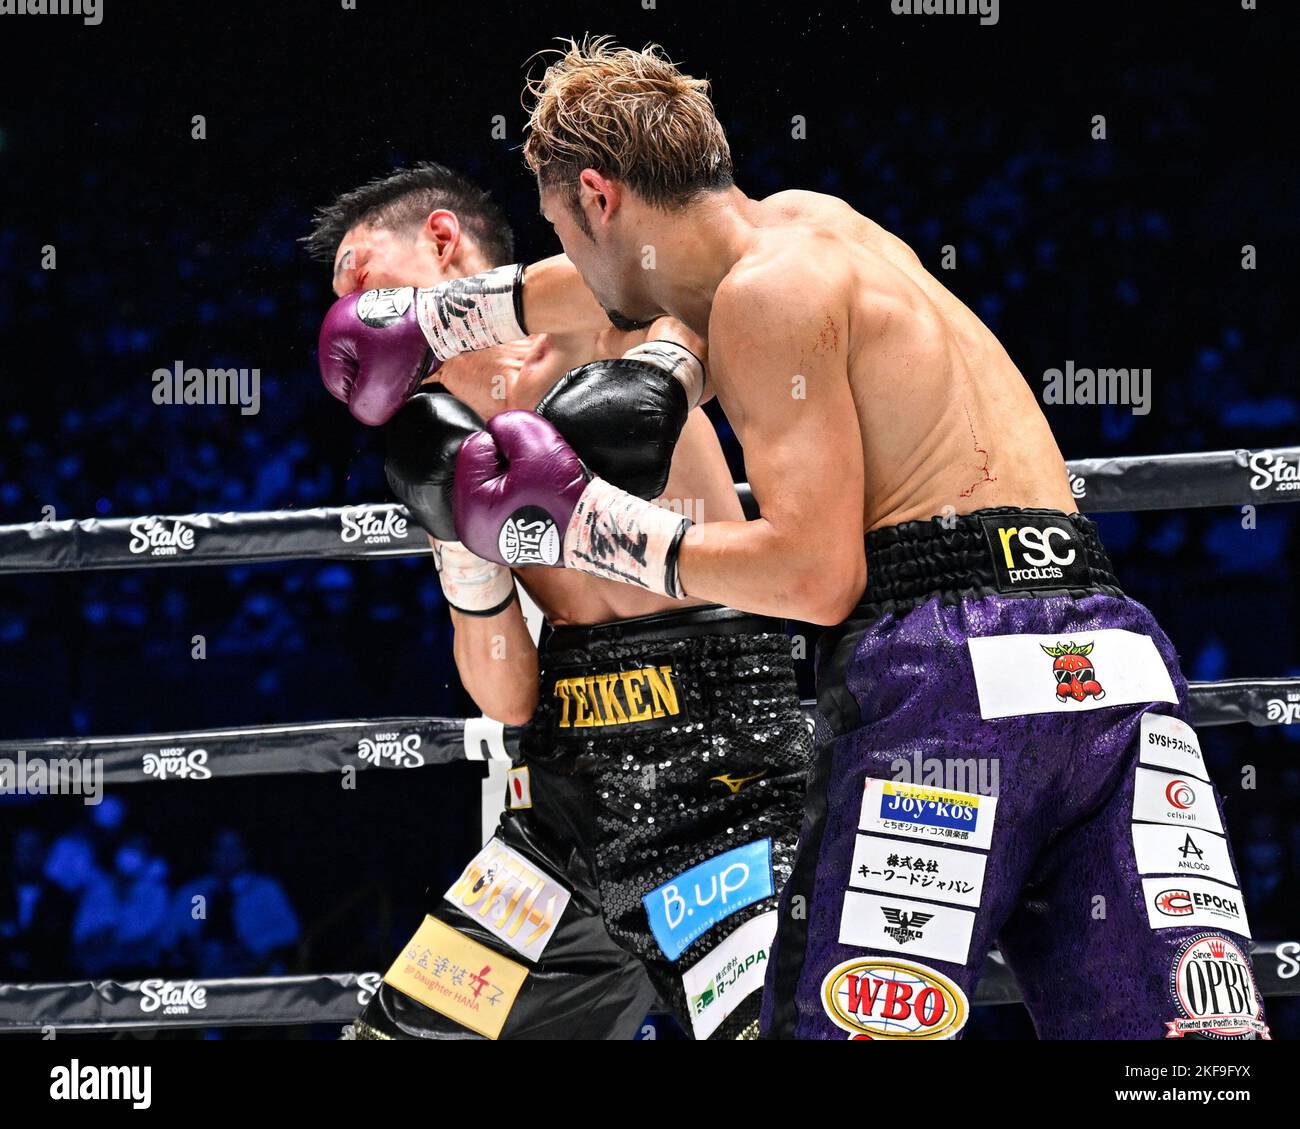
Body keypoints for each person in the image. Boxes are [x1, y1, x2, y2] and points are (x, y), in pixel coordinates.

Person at [317, 43, 1264, 1040]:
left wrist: (589, 523)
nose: (565, 271)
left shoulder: (758, 303)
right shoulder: (816, 222)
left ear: (596, 197)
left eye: (560, 229)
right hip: (1108, 662)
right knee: (1179, 1044)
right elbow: (601, 288)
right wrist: (434, 317)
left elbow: (816, 579)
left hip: (943, 672)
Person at [311, 164, 812, 1040]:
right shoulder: (435, 437)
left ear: (439, 238)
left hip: (720, 771)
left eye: (360, 275)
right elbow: (506, 694)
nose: (346, 311)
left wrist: (656, 374)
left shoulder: (599, 305)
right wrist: (461, 550)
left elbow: (704, 299)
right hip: (565, 817)